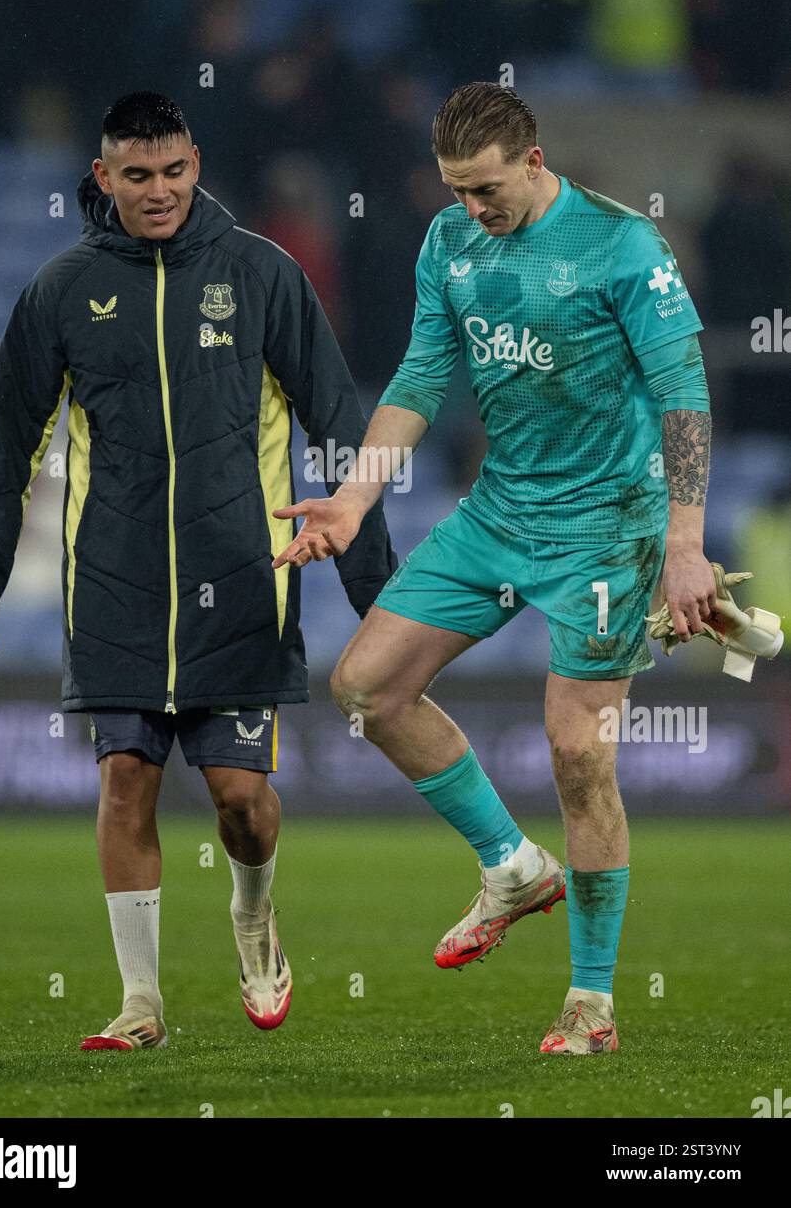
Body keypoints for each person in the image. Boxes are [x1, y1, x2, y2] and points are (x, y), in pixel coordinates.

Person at [0, 91, 396, 1050]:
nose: (159, 191)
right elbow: (1, 446)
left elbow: (339, 426)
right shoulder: (62, 290)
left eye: (174, 171)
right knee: (125, 782)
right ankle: (141, 1002)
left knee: (240, 800)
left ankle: (253, 912)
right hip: (114, 581)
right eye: (137, 175)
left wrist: (374, 586)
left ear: (196, 162)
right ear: (104, 178)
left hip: (243, 579)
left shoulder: (262, 275)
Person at [271, 81, 715, 1055]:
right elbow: (421, 377)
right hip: (498, 512)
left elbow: (682, 397)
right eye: (454, 190)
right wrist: (351, 497)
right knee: (363, 685)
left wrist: (681, 549)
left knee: (576, 752)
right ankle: (510, 864)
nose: (471, 209)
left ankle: (590, 1002)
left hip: (607, 529)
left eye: (483, 189)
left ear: (532, 161)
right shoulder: (450, 244)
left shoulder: (621, 249)